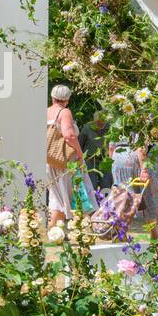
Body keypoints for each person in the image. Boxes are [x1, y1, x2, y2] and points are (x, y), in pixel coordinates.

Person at [45, 85, 84, 227]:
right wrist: (80, 155)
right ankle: (53, 231)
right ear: (67, 99)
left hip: (50, 159)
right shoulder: (64, 112)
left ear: (52, 96)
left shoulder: (46, 112)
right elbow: (69, 136)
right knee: (60, 196)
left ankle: (57, 231)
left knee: (56, 195)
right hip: (63, 160)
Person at [78, 112, 110, 193]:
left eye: (103, 122)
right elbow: (80, 144)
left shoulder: (109, 128)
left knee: (106, 184)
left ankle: (106, 203)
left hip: (105, 159)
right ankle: (93, 203)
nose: (100, 124)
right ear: (94, 121)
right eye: (98, 122)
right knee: (91, 185)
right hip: (90, 159)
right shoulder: (86, 128)